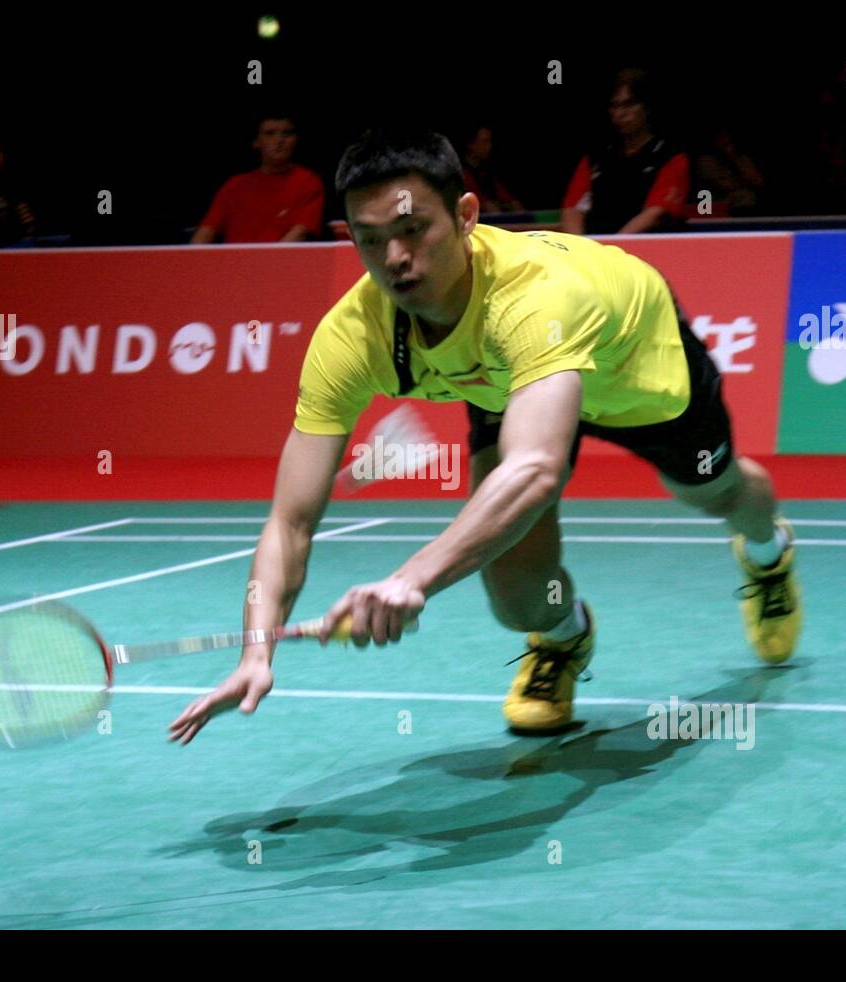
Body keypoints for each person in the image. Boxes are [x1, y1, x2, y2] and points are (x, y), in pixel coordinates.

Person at [169, 129, 802, 746]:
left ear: (466, 214)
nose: (394, 259)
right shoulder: (350, 336)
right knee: (515, 594)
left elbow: (534, 470)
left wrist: (411, 578)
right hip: (509, 385)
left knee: (714, 493)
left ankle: (768, 553)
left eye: (414, 229)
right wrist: (258, 647)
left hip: (635, 367)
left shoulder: (535, 297)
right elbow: (290, 519)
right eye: (371, 239)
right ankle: (563, 637)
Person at [560, 69, 689, 235]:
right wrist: (580, 248)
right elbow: (573, 209)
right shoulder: (596, 157)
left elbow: (657, 213)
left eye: (629, 105)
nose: (620, 114)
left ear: (647, 107)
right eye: (614, 106)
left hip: (647, 251)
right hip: (598, 250)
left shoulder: (671, 156)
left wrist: (614, 247)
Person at [191, 114, 324, 243]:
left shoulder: (307, 181)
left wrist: (265, 263)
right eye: (270, 133)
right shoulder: (235, 185)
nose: (280, 140)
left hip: (280, 263)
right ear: (256, 142)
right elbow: (206, 232)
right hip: (234, 263)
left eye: (287, 133)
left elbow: (299, 233)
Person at [459, 125, 525, 214]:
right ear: (470, 144)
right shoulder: (462, 174)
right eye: (484, 141)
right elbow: (486, 207)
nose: (489, 146)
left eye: (489, 141)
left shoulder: (488, 173)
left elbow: (511, 202)